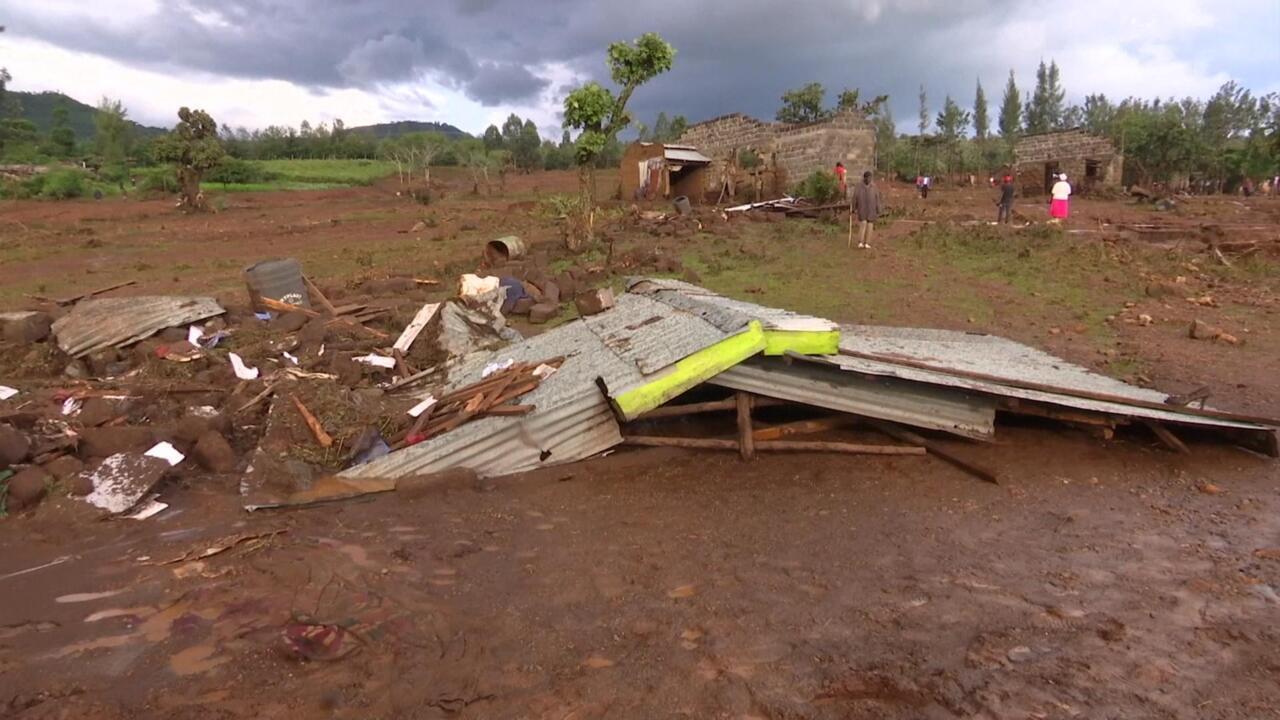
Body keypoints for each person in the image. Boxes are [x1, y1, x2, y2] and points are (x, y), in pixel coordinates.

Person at [851, 171, 882, 249]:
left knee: (870, 225)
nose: (869, 179)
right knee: (863, 224)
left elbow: (877, 198)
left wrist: (879, 209)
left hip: (871, 209)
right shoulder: (859, 186)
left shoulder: (874, 187)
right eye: (868, 178)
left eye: (870, 178)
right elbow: (854, 198)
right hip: (862, 208)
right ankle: (860, 242)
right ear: (864, 178)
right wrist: (853, 208)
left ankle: (867, 243)